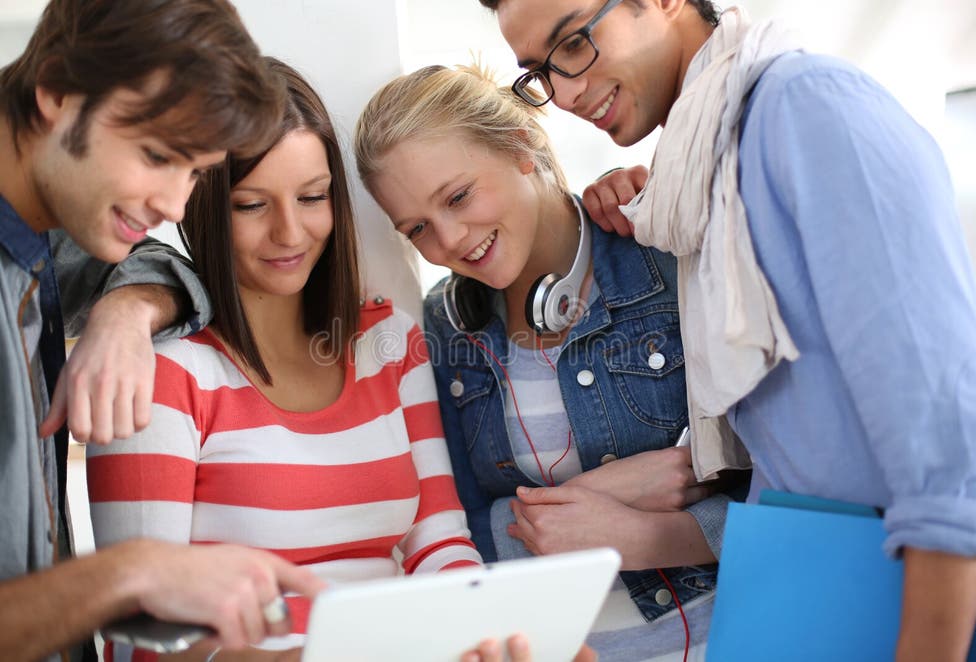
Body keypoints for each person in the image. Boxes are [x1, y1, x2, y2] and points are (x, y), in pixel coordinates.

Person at [480, 0, 976, 660]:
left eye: (576, 41)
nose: (568, 91)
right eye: (540, 73)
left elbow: (950, 445)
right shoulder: (699, 176)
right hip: (804, 581)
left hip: (899, 598)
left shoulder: (806, 110)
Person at [87, 57, 486, 662]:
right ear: (202, 208)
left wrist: (480, 633)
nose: (291, 232)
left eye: (312, 197)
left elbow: (438, 544)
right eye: (252, 205)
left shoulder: (390, 344)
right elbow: (138, 639)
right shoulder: (159, 374)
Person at [355, 63, 747, 661]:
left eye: (458, 196)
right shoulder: (444, 324)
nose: (452, 240)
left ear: (520, 147)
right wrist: (594, 497)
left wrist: (649, 537)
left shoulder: (661, 253)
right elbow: (458, 528)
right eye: (418, 229)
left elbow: (777, 489)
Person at [0, 2, 329, 660]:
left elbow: (162, 266)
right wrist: (131, 572)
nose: (174, 206)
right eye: (156, 156)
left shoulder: (44, 230)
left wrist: (126, 312)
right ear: (58, 91)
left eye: (198, 173)